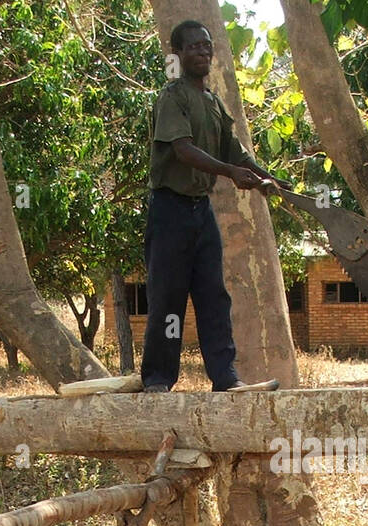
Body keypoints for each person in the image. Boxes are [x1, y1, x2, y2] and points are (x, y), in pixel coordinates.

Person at [141, 19, 287, 393]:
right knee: (168, 295)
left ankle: (226, 378)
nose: (202, 52)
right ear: (178, 54)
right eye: (193, 47)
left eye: (207, 46)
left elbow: (236, 153)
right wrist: (230, 173)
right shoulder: (172, 97)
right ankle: (158, 380)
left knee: (213, 295)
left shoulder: (213, 102)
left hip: (200, 212)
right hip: (169, 209)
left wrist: (269, 180)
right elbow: (183, 149)